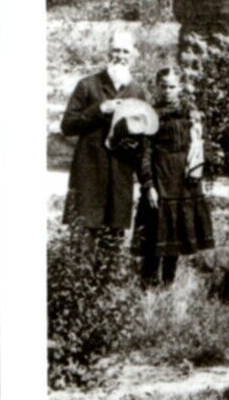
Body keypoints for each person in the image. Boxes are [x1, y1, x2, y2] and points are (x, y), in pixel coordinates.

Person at [60, 29, 153, 244]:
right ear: (107, 53)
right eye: (116, 50)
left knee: (114, 238)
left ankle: (108, 279)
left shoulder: (137, 91)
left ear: (133, 56)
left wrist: (147, 180)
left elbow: (144, 139)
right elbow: (67, 126)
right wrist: (100, 109)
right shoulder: (87, 85)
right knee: (84, 236)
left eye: (125, 51)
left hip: (120, 174)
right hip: (89, 173)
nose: (120, 56)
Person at [132, 67, 214, 286]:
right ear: (158, 86)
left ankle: (168, 284)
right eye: (164, 86)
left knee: (176, 233)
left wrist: (197, 170)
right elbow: (145, 151)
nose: (168, 90)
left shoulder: (190, 111)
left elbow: (198, 145)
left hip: (184, 177)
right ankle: (148, 283)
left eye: (172, 86)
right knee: (155, 231)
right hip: (161, 175)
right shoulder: (150, 114)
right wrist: (148, 184)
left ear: (180, 86)